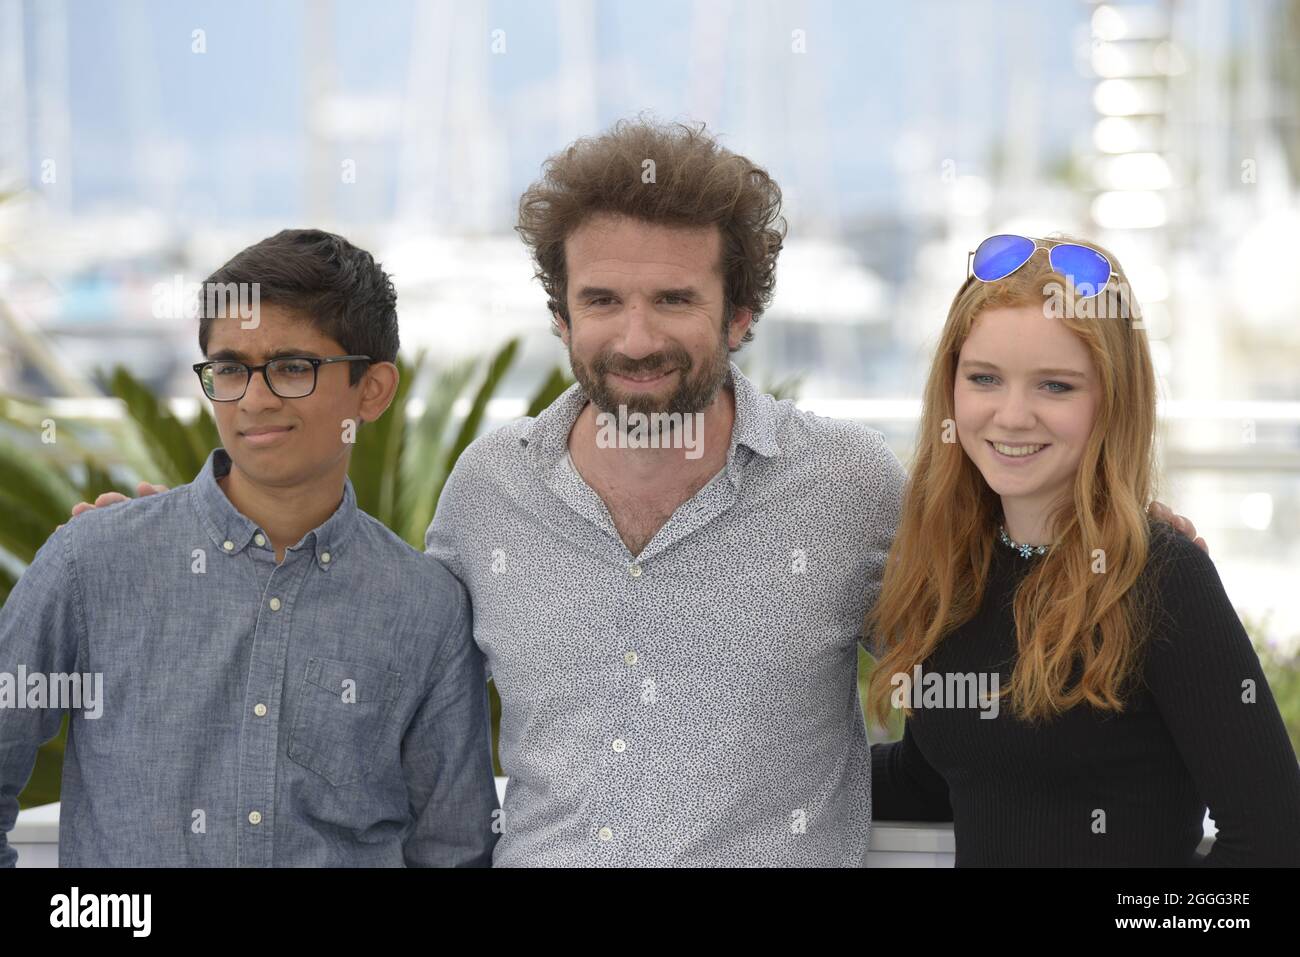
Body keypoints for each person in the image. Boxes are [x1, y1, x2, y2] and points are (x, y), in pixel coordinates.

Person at [60, 121, 1203, 867]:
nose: (636, 335)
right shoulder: (488, 488)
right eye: (602, 301)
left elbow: (984, 625)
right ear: (560, 315)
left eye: (673, 301)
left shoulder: (849, 488)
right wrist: (177, 527)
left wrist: (1110, 541)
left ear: (740, 315)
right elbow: (354, 599)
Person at [0, 229, 499, 866]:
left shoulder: (425, 609)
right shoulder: (91, 564)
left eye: (293, 368)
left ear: (372, 390)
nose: (254, 400)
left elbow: (453, 853)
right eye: (231, 369)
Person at [866, 234, 1300, 866]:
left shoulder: (1162, 576)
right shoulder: (957, 570)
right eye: (985, 378)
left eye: (1055, 387)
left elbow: (1275, 839)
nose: (1012, 416)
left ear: (1112, 399)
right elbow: (939, 777)